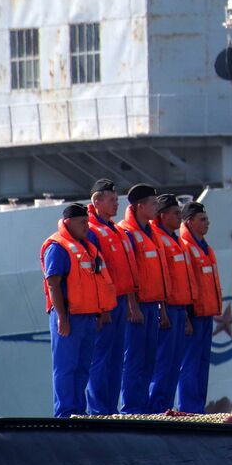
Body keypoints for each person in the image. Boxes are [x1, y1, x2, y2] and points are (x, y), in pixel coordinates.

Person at [40, 203, 109, 418]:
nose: (86, 226)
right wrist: (62, 317)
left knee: (82, 367)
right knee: (66, 367)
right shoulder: (58, 248)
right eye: (82, 223)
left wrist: (98, 313)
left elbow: (96, 283)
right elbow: (53, 283)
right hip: (69, 316)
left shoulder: (87, 247)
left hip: (87, 317)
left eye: (87, 222)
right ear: (68, 223)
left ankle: (79, 410)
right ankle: (65, 412)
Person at [85, 178, 142, 415]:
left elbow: (125, 272)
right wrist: (102, 308)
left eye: (116, 200)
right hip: (105, 304)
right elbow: (94, 272)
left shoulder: (116, 230)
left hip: (120, 302)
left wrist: (130, 303)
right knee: (100, 358)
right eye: (111, 200)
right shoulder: (92, 232)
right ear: (97, 201)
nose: (115, 204)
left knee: (116, 358)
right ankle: (98, 409)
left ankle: (110, 407)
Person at [117, 183, 169, 414]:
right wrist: (132, 305)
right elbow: (125, 270)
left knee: (149, 359)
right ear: (140, 207)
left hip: (151, 304)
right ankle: (131, 408)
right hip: (137, 306)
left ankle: (145, 408)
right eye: (153, 203)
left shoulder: (150, 232)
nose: (157, 207)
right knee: (134, 360)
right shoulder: (127, 233)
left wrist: (161, 307)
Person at [148, 194, 194, 412]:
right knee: (162, 364)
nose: (179, 217)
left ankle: (165, 407)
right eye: (176, 213)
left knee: (174, 365)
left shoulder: (175, 240)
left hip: (179, 309)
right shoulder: (158, 238)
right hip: (165, 309)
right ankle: (156, 408)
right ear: (163, 215)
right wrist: (162, 309)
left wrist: (184, 314)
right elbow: (159, 278)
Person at [178, 202, 223, 413]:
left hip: (206, 313)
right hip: (193, 313)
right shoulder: (185, 247)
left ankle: (198, 407)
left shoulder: (204, 247)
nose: (208, 223)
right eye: (202, 219)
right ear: (190, 222)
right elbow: (184, 283)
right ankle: (188, 407)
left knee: (202, 364)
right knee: (190, 364)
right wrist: (186, 317)